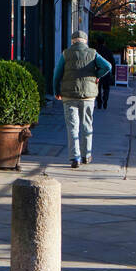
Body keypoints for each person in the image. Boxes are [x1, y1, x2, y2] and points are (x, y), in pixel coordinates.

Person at [53, 31, 113, 169]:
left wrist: (56, 91)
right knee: (87, 125)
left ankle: (75, 158)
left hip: (69, 95)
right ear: (85, 42)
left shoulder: (66, 54)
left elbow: (57, 74)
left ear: (73, 41)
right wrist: (97, 75)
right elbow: (108, 66)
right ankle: (87, 155)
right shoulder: (93, 53)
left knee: (72, 126)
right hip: (88, 95)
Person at [96, 45, 114, 110]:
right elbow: (112, 61)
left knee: (98, 88)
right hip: (107, 72)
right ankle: (105, 99)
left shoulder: (95, 50)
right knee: (106, 88)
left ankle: (99, 102)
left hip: (98, 72)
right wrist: (113, 72)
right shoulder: (108, 50)